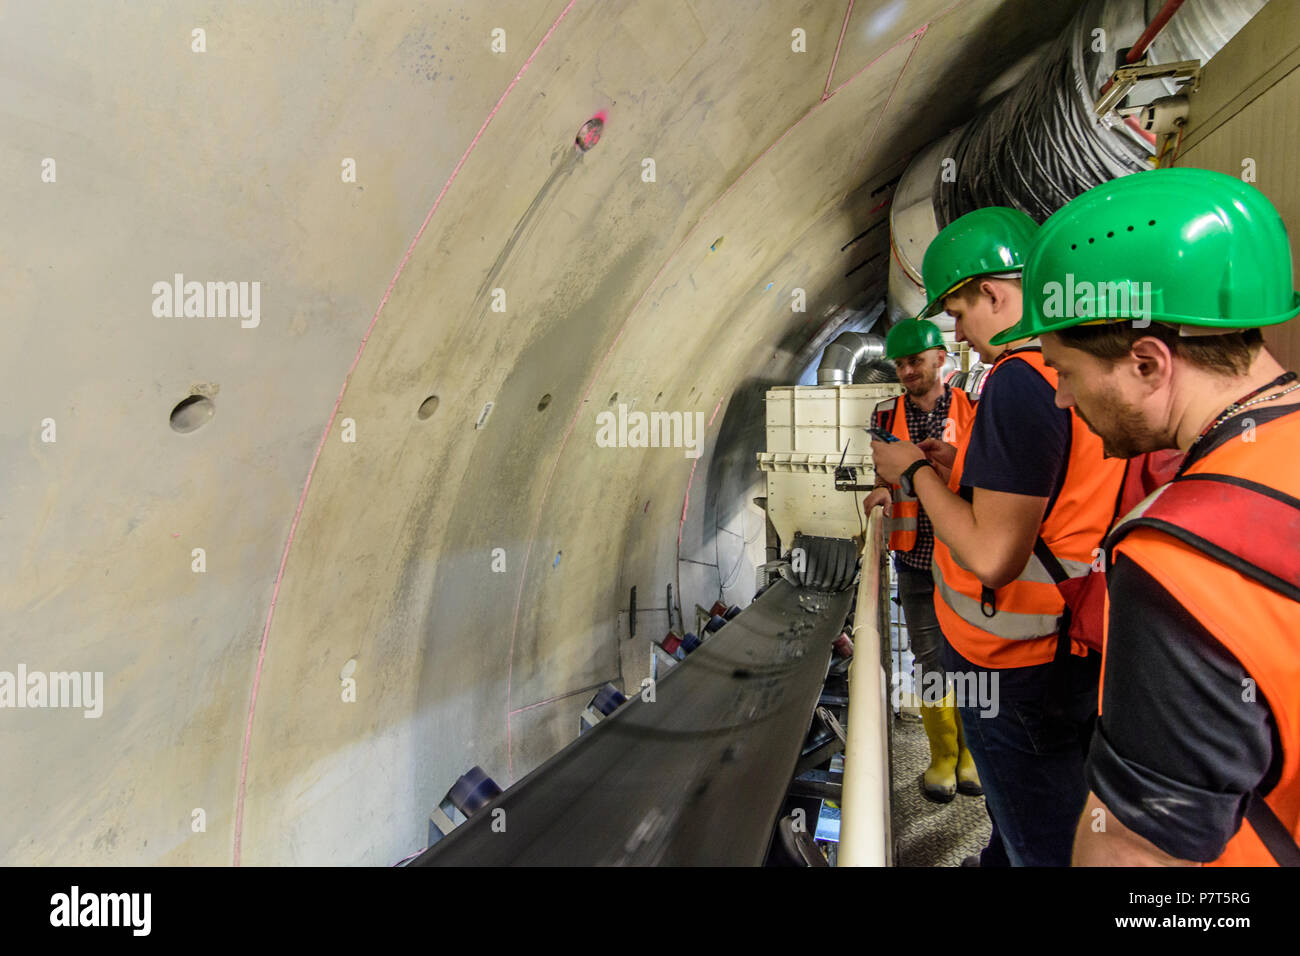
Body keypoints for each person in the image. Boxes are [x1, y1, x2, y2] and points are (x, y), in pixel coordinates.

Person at [989, 166, 1300, 866]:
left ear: (1148, 363)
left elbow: (1137, 855)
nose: (1063, 400)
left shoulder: (1183, 560)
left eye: (1065, 372)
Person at [871, 207, 1125, 866]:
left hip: (1012, 661)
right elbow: (1052, 491)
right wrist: (961, 470)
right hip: (1064, 641)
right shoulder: (1066, 370)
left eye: (957, 312)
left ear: (994, 292)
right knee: (1027, 824)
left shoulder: (1015, 380)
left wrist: (914, 472)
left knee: (1040, 842)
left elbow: (991, 554)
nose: (958, 332)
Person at [864, 318, 979, 802]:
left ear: (940, 358)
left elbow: (986, 474)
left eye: (916, 360)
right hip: (914, 558)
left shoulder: (973, 408)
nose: (908, 370)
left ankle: (973, 757)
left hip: (966, 556)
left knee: (971, 654)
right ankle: (943, 758)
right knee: (929, 659)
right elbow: (884, 475)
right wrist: (877, 491)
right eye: (901, 363)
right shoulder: (885, 412)